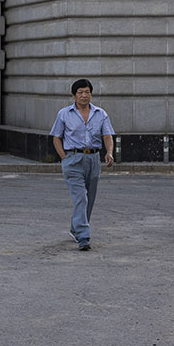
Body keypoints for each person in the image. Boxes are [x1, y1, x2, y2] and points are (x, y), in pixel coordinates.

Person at [50, 78, 115, 250]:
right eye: (80, 92)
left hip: (93, 159)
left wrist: (109, 152)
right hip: (73, 159)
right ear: (74, 95)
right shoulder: (64, 114)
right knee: (81, 197)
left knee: (90, 198)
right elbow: (56, 137)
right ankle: (83, 236)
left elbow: (107, 136)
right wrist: (64, 157)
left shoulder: (100, 113)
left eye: (87, 92)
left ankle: (75, 227)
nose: (84, 95)